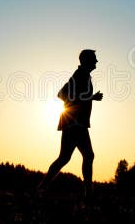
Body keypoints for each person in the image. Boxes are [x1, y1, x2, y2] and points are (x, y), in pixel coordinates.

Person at [38, 49, 103, 198]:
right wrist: (91, 97)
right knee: (86, 155)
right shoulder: (80, 75)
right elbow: (64, 95)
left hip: (74, 122)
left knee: (67, 157)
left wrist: (87, 97)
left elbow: (62, 94)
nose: (96, 61)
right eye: (94, 58)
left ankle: (42, 187)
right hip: (74, 123)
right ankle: (88, 193)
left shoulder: (82, 75)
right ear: (86, 60)